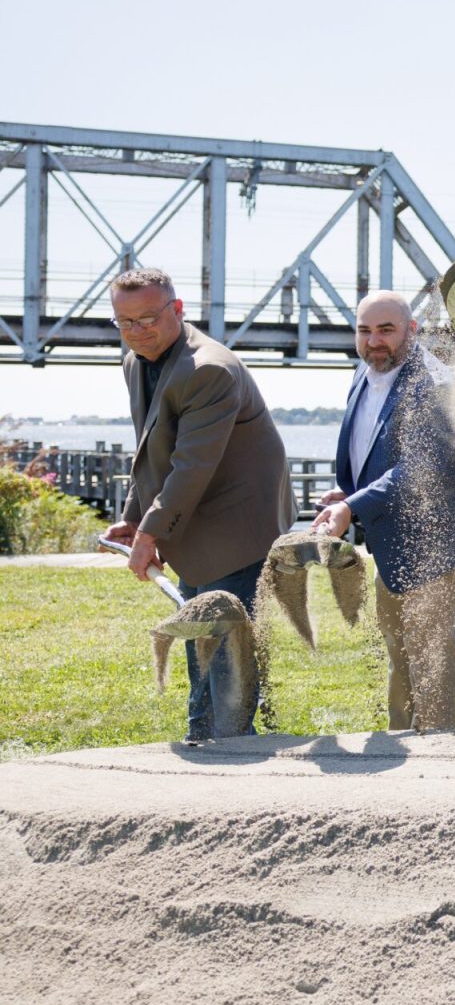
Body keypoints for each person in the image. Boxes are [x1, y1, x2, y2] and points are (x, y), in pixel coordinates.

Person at [98, 267, 292, 740]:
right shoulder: (135, 361)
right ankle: (206, 736)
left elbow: (191, 466)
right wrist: (131, 519)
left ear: (178, 310)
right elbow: (151, 449)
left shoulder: (209, 369)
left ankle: (230, 744)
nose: (138, 331)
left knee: (225, 641)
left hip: (239, 525)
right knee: (200, 633)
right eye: (125, 322)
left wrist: (151, 533)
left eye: (149, 318)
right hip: (195, 520)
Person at [312, 291, 455, 734]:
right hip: (393, 540)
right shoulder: (364, 373)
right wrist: (348, 492)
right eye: (365, 330)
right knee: (400, 650)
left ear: (412, 330)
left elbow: (424, 467)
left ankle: (440, 751)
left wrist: (354, 505)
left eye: (386, 330)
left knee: (432, 654)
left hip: (440, 542)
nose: (374, 341)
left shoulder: (437, 383)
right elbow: (375, 448)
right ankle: (403, 745)